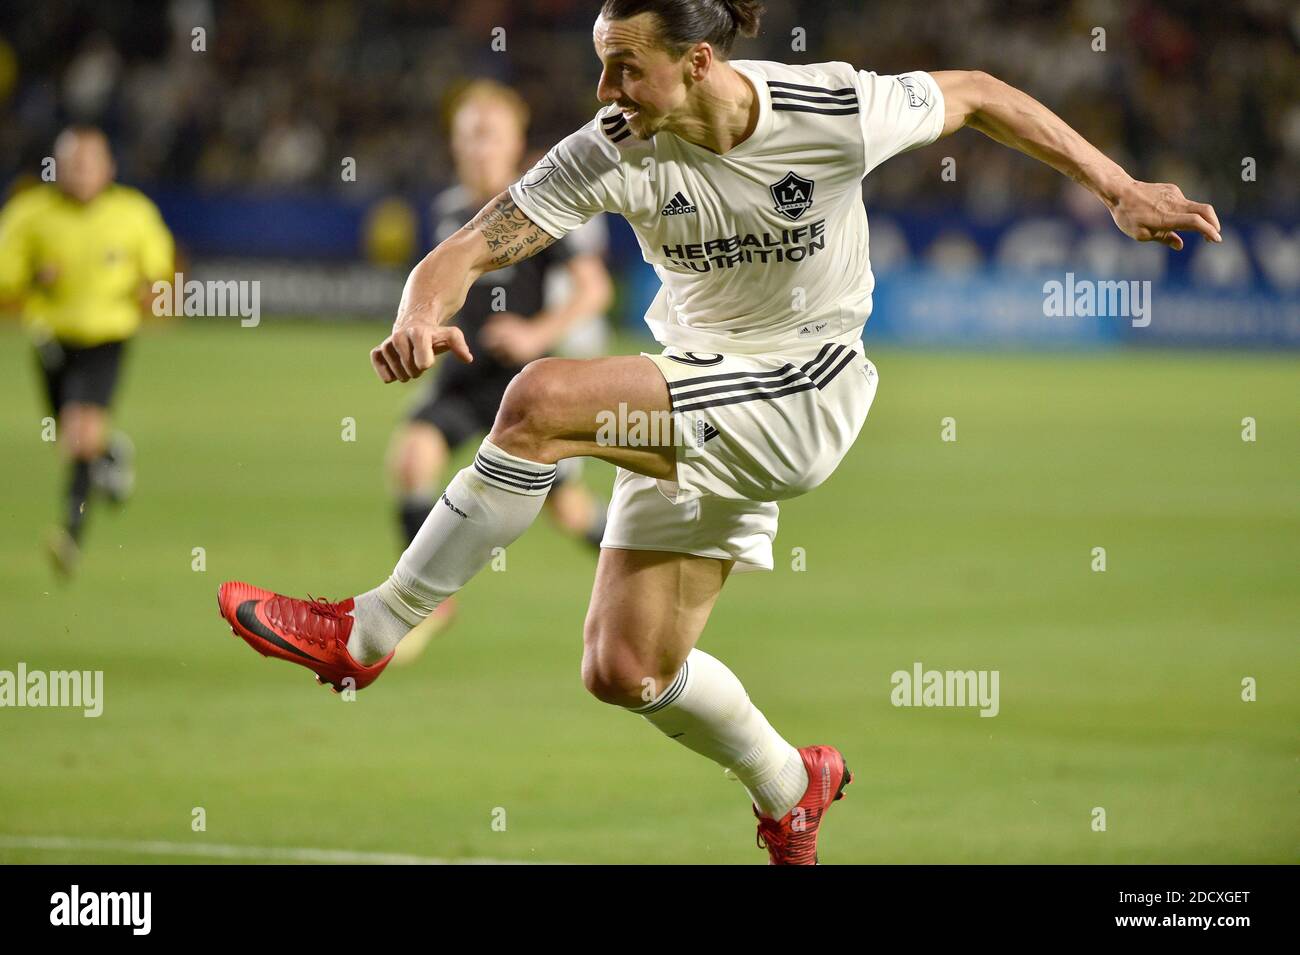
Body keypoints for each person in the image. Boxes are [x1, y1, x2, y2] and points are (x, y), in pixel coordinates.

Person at [217, 0, 1221, 863]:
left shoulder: (828, 108)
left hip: (805, 387)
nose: (606, 85)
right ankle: (792, 787)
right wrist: (414, 311)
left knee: (536, 402)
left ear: (699, 62)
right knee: (624, 667)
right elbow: (467, 248)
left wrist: (1119, 187)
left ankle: (369, 631)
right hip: (692, 388)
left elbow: (979, 92)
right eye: (600, 62)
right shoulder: (613, 144)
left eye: (626, 65)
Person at [388, 81, 613, 661]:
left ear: (515, 141)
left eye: (487, 133)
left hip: (526, 390)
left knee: (570, 514)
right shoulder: (446, 211)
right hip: (464, 377)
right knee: (412, 457)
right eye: (466, 134)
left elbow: (595, 289)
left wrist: (536, 332)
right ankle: (427, 602)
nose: (476, 146)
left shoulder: (545, 205)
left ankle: (668, 551)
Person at [0, 126, 174, 576]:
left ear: (108, 167)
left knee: (79, 432)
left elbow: (160, 273)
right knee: (73, 437)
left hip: (106, 337)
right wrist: (37, 278)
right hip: (50, 339)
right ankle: (109, 453)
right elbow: (5, 277)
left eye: (89, 163)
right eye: (72, 163)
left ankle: (70, 535)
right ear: (55, 168)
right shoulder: (29, 214)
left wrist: (151, 294)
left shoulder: (133, 214)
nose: (80, 173)